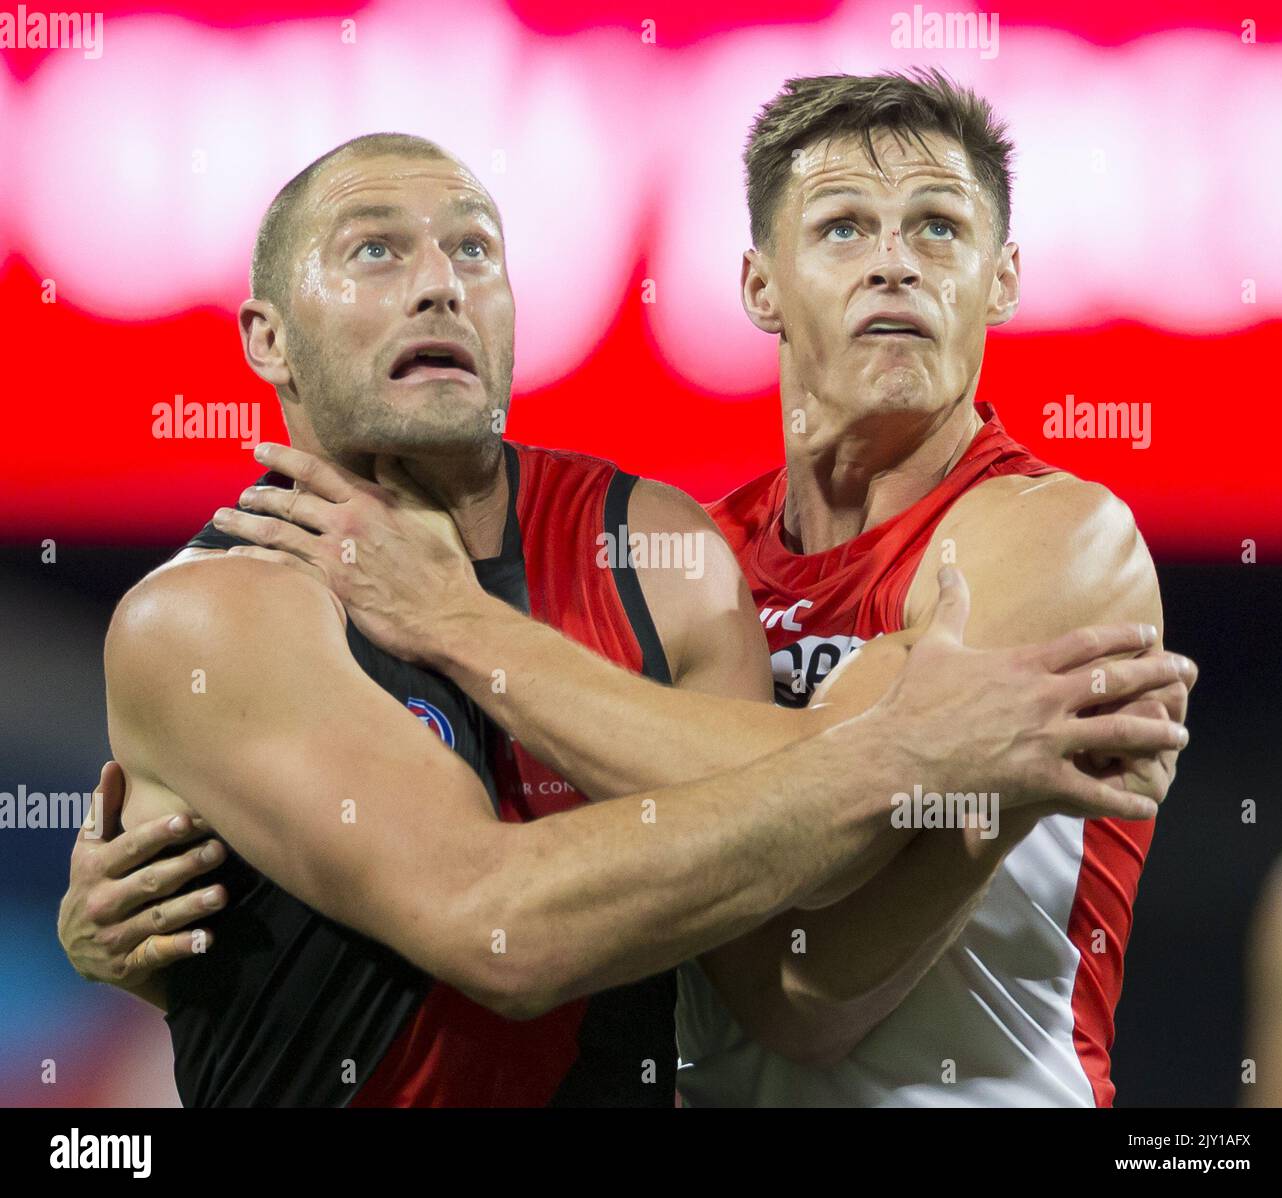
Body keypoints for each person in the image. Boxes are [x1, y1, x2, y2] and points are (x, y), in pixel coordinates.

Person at [60, 95, 1190, 1106]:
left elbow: (802, 989)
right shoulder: (718, 556)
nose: (894, 264)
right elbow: (549, 909)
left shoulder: (1039, 538)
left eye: (938, 227)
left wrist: (460, 623)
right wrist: (921, 748)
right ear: (759, 284)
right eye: (844, 226)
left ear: (1002, 278)